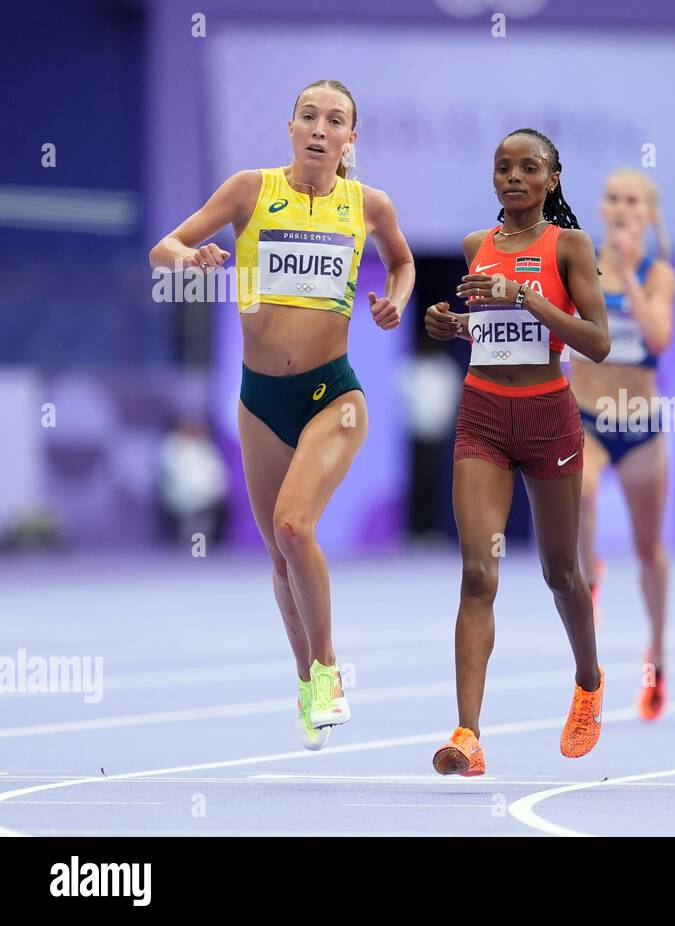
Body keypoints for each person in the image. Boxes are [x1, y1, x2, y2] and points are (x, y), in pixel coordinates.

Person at [149, 79, 414, 750]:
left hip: (334, 395)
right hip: (259, 400)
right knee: (277, 554)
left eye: (336, 121)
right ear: (291, 128)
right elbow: (164, 250)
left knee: (295, 527)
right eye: (309, 116)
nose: (320, 128)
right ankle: (306, 684)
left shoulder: (369, 204)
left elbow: (404, 262)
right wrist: (193, 258)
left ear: (351, 140)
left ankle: (329, 668)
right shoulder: (249, 190)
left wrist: (396, 300)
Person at [424, 128, 611, 776]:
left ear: (551, 179)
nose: (513, 177)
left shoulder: (570, 247)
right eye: (503, 167)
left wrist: (528, 299)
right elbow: (483, 322)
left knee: (560, 571)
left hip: (548, 419)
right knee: (478, 572)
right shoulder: (477, 246)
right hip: (481, 415)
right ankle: (468, 736)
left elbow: (598, 341)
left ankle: (588, 679)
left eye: (528, 168)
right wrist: (451, 325)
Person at [570, 169, 675, 720]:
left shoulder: (657, 273)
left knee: (648, 549)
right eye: (612, 198)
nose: (620, 208)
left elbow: (658, 336)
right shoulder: (579, 264)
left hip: (638, 427)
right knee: (581, 493)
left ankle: (656, 655)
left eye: (632, 200)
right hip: (584, 418)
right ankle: (590, 572)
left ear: (649, 214)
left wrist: (630, 277)